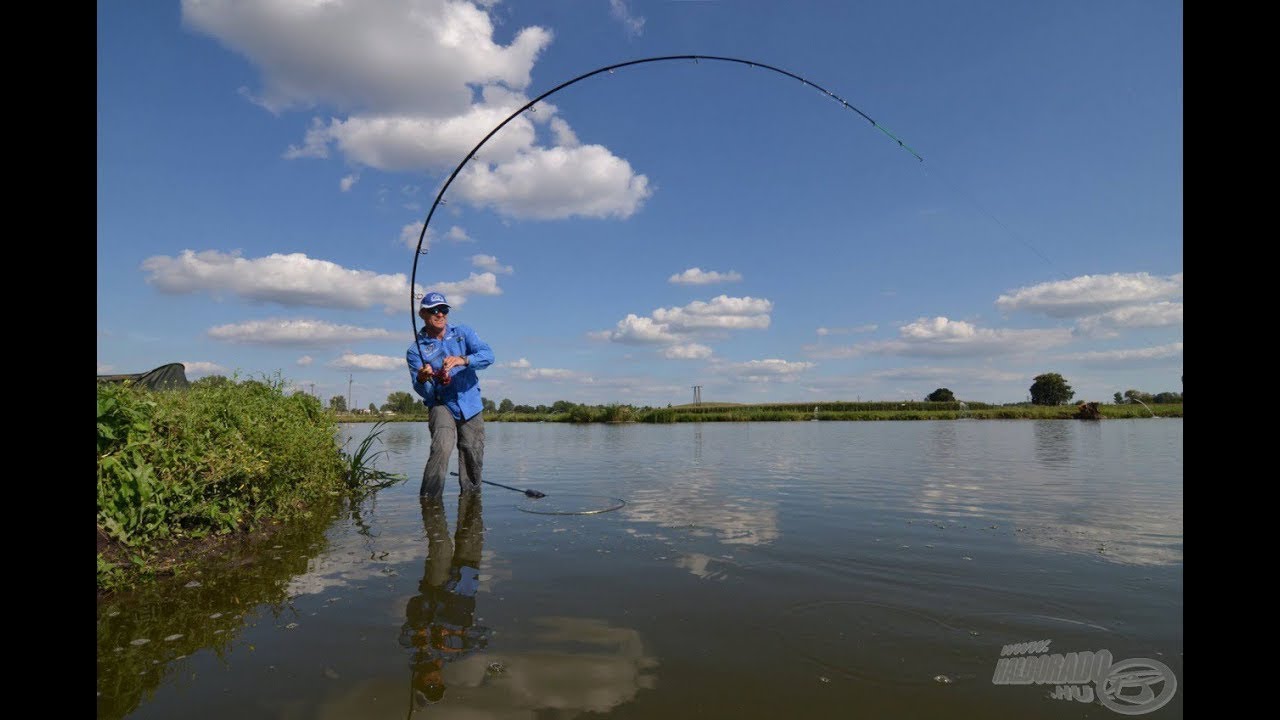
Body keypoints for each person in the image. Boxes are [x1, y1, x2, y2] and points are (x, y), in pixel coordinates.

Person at [399, 494, 487, 711]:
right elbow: (484, 636)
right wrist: (459, 636)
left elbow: (414, 605)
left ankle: (433, 498)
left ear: (417, 680)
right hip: (466, 582)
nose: (433, 681)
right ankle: (473, 495)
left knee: (439, 541)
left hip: (437, 585)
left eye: (427, 684)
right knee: (473, 523)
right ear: (442, 681)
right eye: (436, 684)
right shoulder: (458, 654)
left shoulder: (409, 646)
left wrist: (421, 629)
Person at [406, 291, 494, 499]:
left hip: (470, 401)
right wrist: (421, 378)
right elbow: (423, 391)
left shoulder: (463, 333)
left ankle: (471, 500)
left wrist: (463, 359)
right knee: (442, 448)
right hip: (441, 403)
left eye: (444, 309)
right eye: (434, 310)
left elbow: (488, 355)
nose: (440, 314)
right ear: (422, 314)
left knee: (472, 451)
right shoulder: (414, 351)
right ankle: (429, 499)